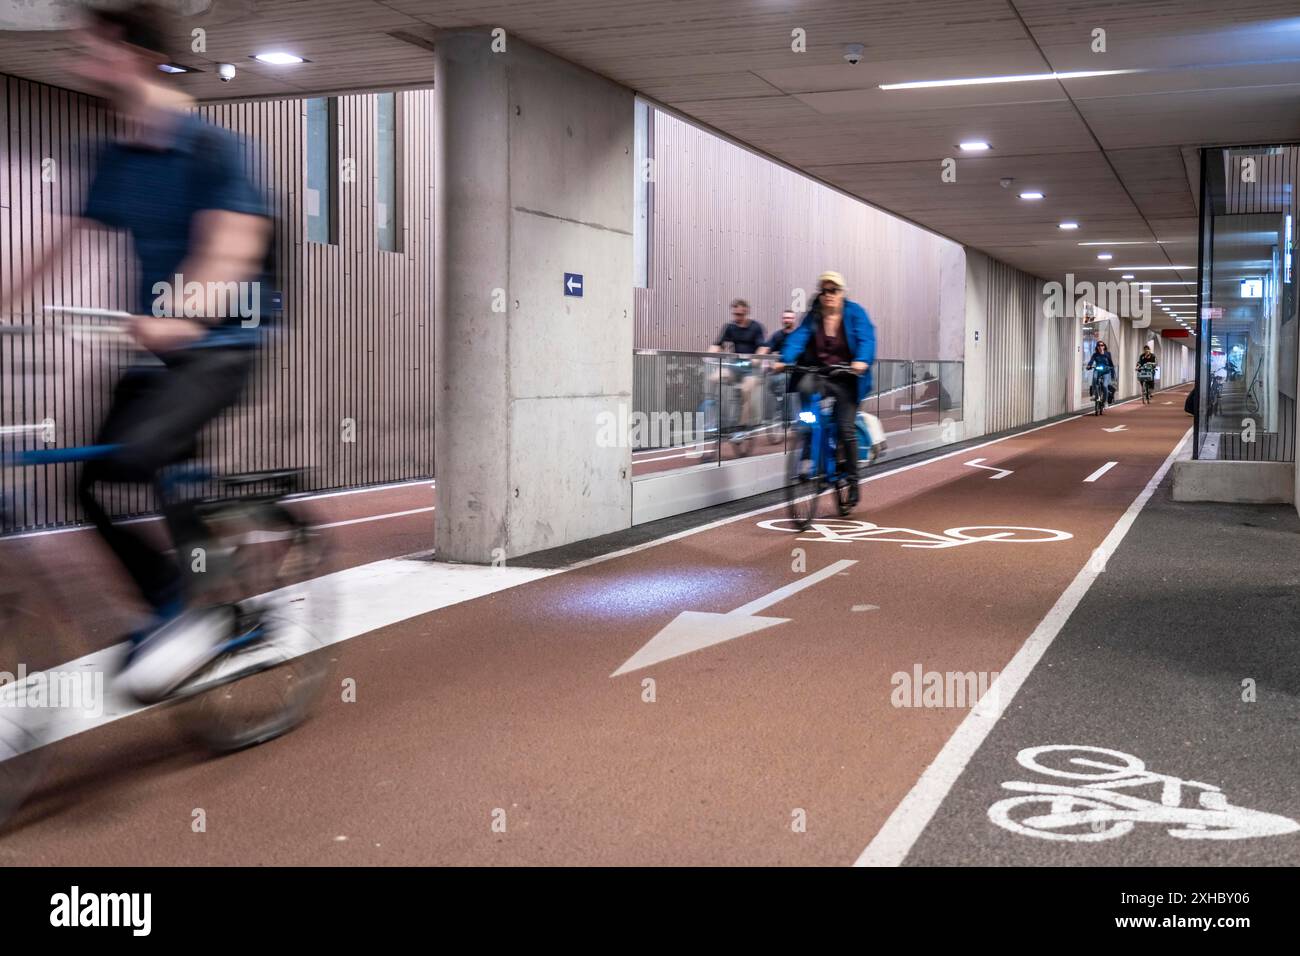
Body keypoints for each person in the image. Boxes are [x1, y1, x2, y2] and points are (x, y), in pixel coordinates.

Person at [1, 3, 273, 701]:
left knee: (147, 454)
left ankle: (204, 608)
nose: (81, 64)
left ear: (139, 55)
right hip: (159, 348)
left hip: (222, 343)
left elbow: (230, 252)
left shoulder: (213, 149)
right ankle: (169, 596)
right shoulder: (111, 159)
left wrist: (183, 315)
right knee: (89, 481)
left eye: (94, 49)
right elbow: (48, 254)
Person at [776, 271, 876, 510]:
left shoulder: (855, 313)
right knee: (808, 415)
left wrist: (861, 362)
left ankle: (853, 481)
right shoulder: (815, 315)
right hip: (820, 374)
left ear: (842, 293)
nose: (828, 295)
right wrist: (784, 359)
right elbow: (798, 338)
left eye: (833, 290)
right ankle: (810, 455)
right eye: (824, 291)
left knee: (845, 427)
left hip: (847, 377)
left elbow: (867, 339)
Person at [708, 298, 765, 430]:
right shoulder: (730, 327)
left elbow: (762, 347)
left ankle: (741, 426)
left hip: (751, 369)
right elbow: (718, 344)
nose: (737, 318)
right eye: (735, 314)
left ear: (746, 312)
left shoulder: (756, 327)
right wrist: (708, 354)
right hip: (735, 367)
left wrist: (755, 359)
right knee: (714, 378)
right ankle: (718, 419)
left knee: (745, 390)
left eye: (740, 315)